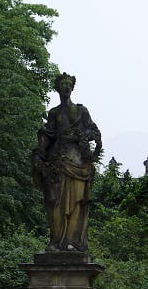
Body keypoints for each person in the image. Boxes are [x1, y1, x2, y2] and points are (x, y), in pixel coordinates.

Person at [32, 73, 102, 252]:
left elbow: (94, 131)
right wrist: (39, 154)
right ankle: (56, 241)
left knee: (77, 202)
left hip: (78, 163)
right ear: (58, 88)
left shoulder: (81, 111)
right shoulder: (54, 113)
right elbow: (47, 135)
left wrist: (83, 136)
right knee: (56, 203)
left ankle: (71, 241)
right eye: (62, 84)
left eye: (68, 84)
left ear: (72, 87)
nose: (66, 87)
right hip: (58, 162)